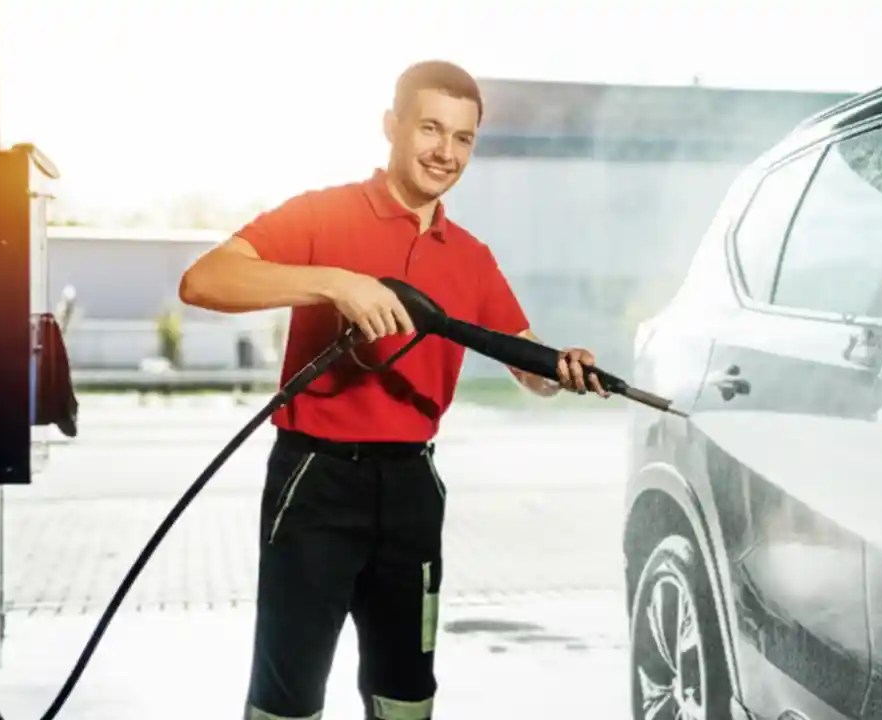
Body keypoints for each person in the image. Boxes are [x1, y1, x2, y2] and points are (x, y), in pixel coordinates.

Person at [178, 59, 607, 720]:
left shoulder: (470, 256)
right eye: (431, 129)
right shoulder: (323, 213)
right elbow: (205, 280)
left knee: (407, 694)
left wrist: (558, 369)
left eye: (463, 138)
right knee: (286, 695)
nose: (446, 152)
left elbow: (527, 368)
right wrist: (336, 283)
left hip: (412, 488)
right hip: (314, 480)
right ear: (391, 127)